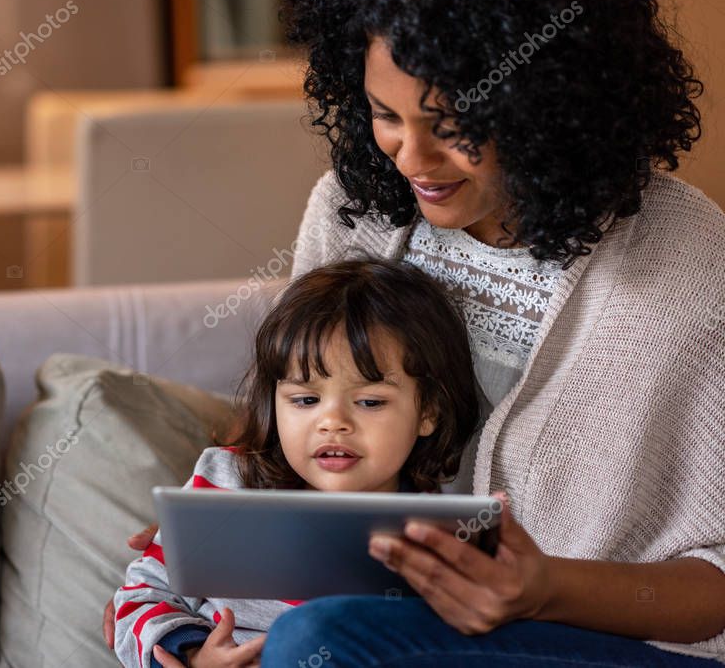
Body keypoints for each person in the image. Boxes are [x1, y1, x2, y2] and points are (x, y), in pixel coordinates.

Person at [105, 0, 725, 665]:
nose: (411, 159)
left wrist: (543, 589)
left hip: (603, 648)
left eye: (453, 125)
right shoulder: (354, 213)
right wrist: (232, 528)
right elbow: (298, 389)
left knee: (315, 641)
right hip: (398, 634)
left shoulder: (691, 264)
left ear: (548, 109)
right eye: (385, 114)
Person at [113, 259, 481, 668]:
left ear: (428, 411)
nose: (333, 423)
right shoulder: (225, 484)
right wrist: (195, 653)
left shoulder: (435, 534)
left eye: (370, 402)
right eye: (305, 400)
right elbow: (141, 595)